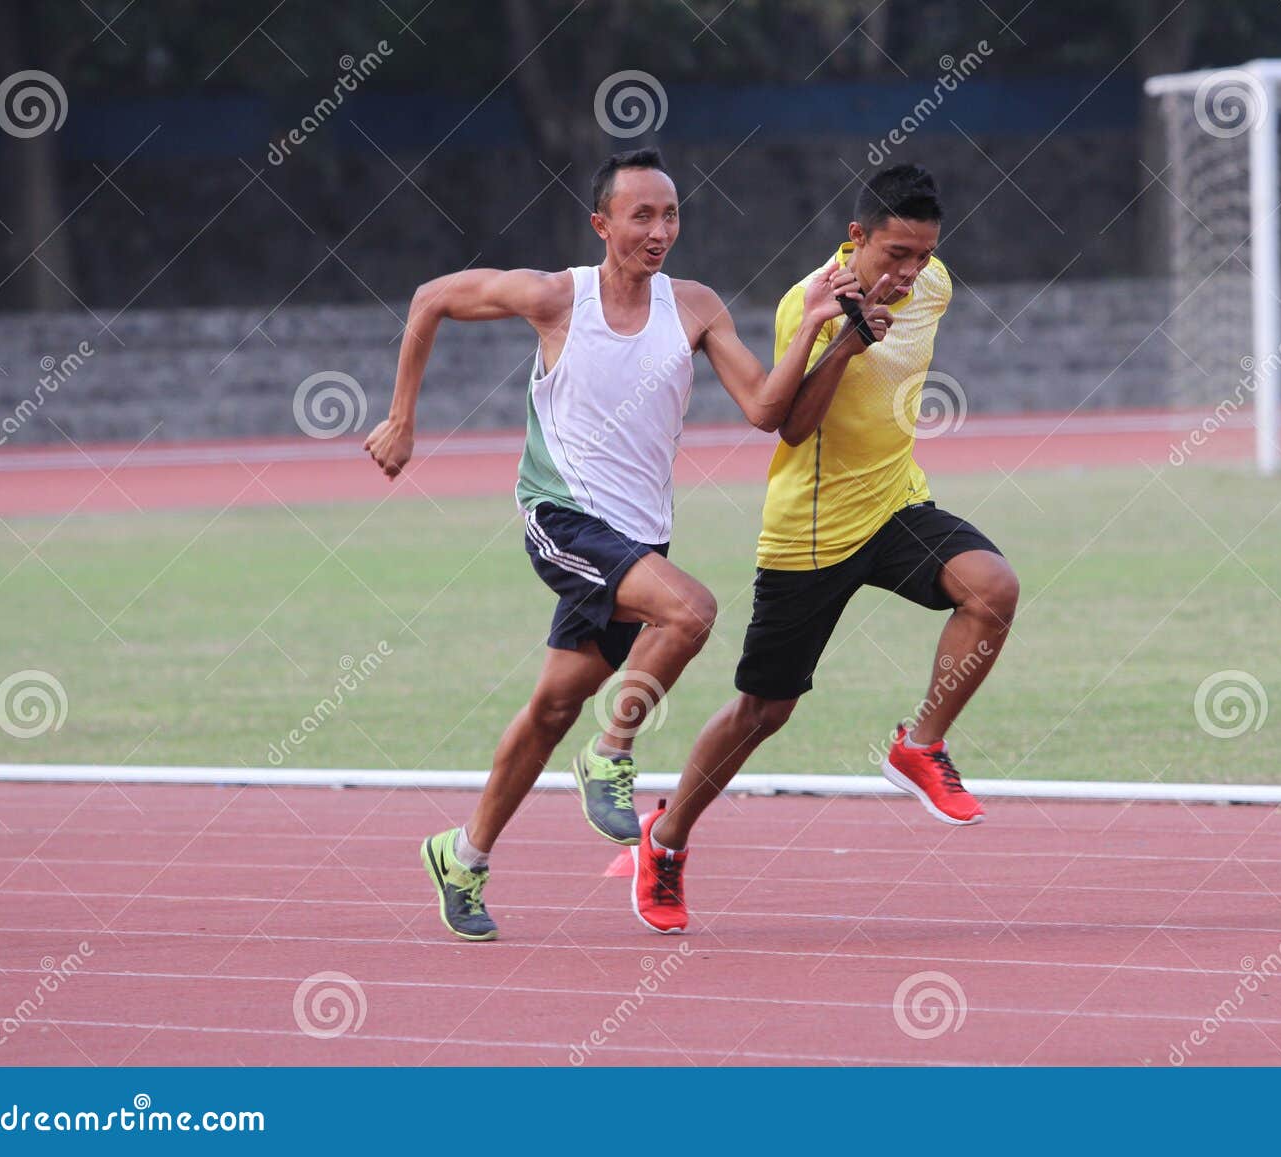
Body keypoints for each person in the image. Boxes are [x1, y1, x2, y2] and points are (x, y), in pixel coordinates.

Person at [363, 148, 893, 940]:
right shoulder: (556, 297)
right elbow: (431, 297)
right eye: (641, 215)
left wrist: (824, 328)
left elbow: (766, 410)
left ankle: (462, 855)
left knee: (551, 707)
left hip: (638, 541)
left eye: (670, 215)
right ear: (601, 224)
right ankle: (610, 752)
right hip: (562, 518)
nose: (659, 230)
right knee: (692, 612)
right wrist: (403, 418)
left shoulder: (695, 306)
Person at [632, 164, 1019, 934]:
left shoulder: (934, 285)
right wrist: (846, 341)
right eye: (895, 254)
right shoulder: (803, 305)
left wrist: (904, 291)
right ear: (856, 238)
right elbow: (792, 425)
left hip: (896, 503)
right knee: (763, 711)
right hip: (809, 532)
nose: (909, 271)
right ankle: (666, 838)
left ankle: (920, 746)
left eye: (923, 254)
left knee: (993, 588)